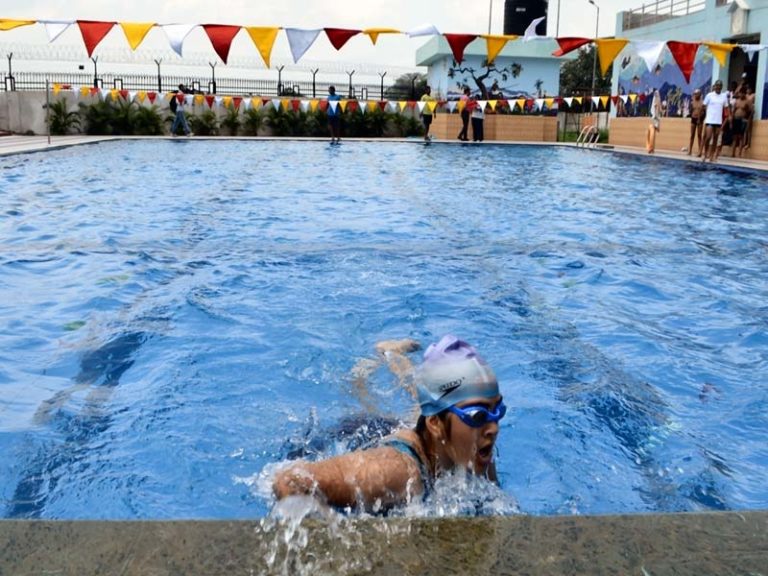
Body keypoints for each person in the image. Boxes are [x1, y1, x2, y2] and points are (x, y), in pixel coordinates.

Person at [272, 335, 505, 512]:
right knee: (367, 400)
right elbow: (291, 481)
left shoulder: (474, 448)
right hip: (365, 433)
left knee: (425, 404)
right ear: (435, 424)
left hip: (428, 432)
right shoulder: (395, 471)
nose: (493, 427)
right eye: (478, 415)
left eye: (498, 410)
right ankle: (366, 369)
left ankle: (392, 354)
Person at [702, 80, 729, 162]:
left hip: (718, 121)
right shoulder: (709, 95)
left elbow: (726, 108)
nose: (718, 87)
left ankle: (712, 155)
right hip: (710, 120)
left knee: (715, 139)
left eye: (720, 86)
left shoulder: (724, 97)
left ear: (721, 87)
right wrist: (708, 112)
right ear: (715, 86)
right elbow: (703, 106)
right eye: (717, 85)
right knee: (708, 137)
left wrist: (727, 117)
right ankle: (705, 152)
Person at [731, 88, 752, 158]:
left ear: (744, 94)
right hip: (736, 119)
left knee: (741, 137)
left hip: (742, 120)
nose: (741, 95)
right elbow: (733, 110)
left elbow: (751, 111)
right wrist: (731, 119)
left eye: (742, 93)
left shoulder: (747, 101)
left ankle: (739, 153)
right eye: (740, 93)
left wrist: (747, 120)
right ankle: (733, 153)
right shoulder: (737, 101)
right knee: (734, 137)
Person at [688, 89, 704, 157]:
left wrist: (700, 119)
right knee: (692, 135)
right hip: (693, 119)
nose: (696, 95)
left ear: (700, 94)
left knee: (699, 135)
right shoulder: (692, 102)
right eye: (695, 94)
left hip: (700, 119)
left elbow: (703, 112)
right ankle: (690, 150)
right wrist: (692, 115)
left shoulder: (702, 102)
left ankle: (699, 151)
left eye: (697, 94)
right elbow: (691, 110)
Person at [646, 89, 661, 154]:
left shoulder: (657, 99)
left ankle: (651, 148)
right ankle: (651, 148)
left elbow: (657, 108)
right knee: (653, 132)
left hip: (656, 117)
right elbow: (656, 108)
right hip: (655, 117)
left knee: (653, 132)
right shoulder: (656, 99)